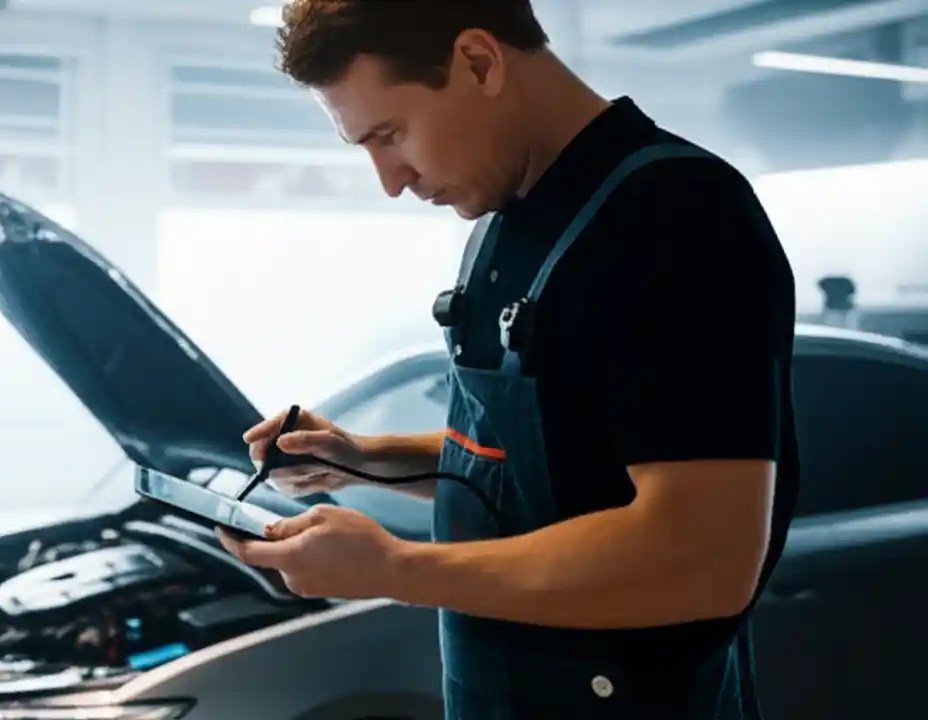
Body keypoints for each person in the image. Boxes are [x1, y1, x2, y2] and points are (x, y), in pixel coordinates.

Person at [215, 1, 800, 719]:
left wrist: (395, 569)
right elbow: (543, 461)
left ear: (479, 62)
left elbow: (701, 558)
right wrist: (365, 458)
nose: (390, 181)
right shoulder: (507, 220)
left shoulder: (676, 215)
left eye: (390, 135)